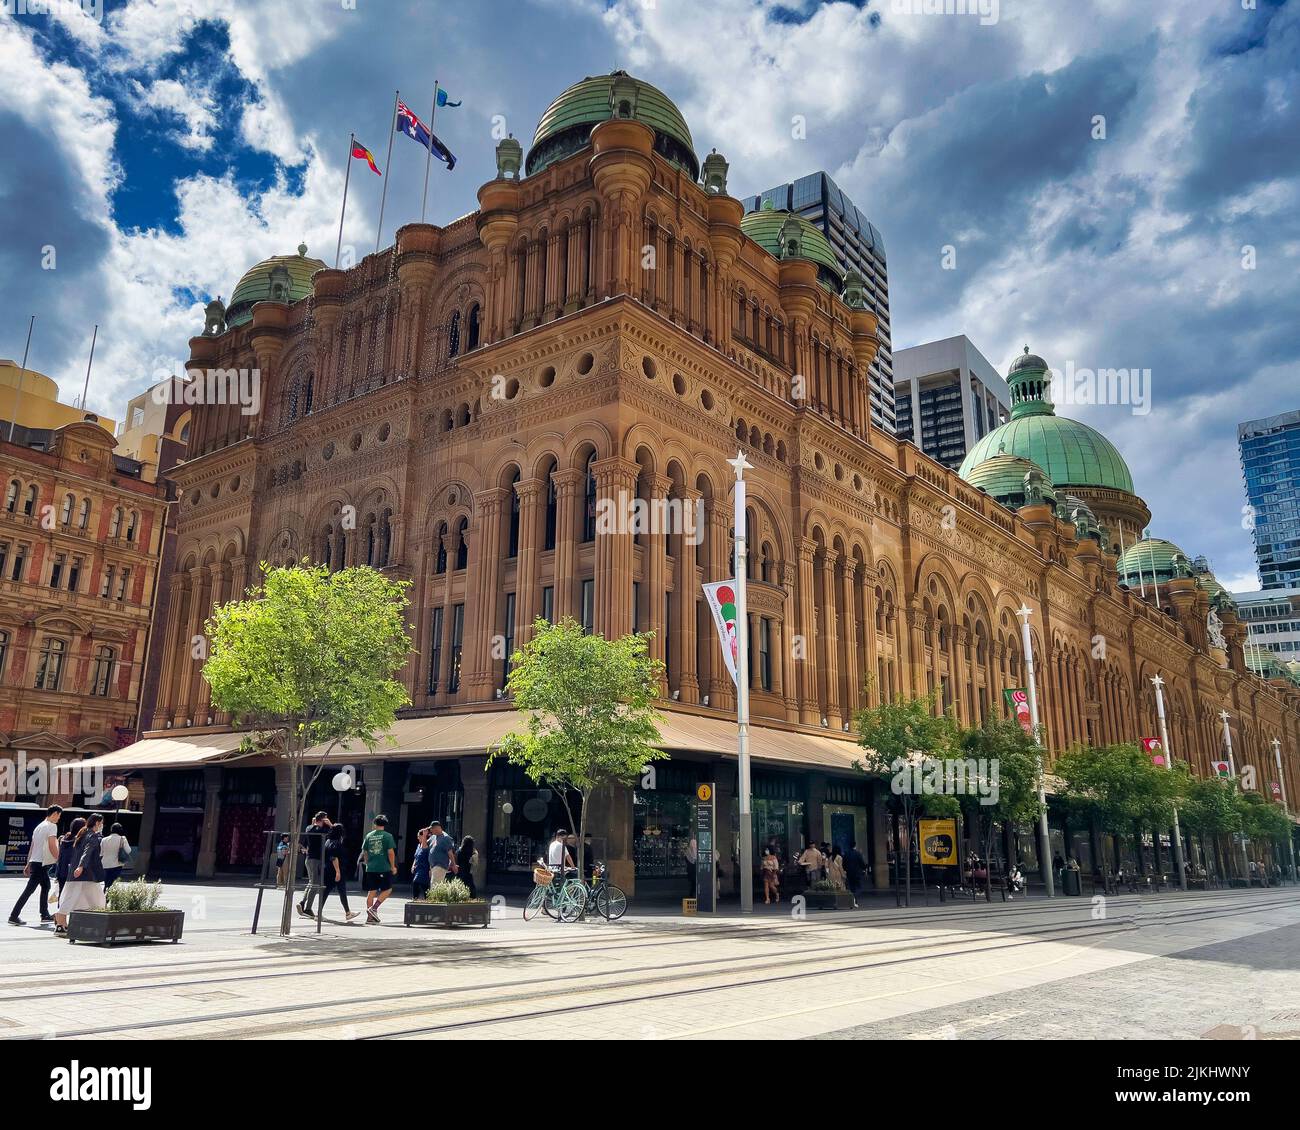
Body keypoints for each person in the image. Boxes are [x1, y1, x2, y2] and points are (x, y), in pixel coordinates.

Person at [8, 804, 61, 926]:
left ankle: (44, 914)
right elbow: (52, 845)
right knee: (29, 890)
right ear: (54, 814)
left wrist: (28, 863)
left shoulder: (38, 827)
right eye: (58, 816)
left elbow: (33, 846)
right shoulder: (52, 826)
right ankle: (14, 915)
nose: (58, 819)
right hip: (42, 863)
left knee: (46, 886)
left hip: (36, 862)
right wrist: (59, 859)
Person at [60, 814, 107, 920]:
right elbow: (88, 851)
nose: (102, 825)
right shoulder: (92, 836)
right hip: (87, 874)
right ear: (97, 823)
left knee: (77, 899)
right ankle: (60, 919)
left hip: (77, 874)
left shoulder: (82, 834)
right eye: (102, 823)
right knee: (98, 901)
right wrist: (81, 866)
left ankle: (62, 922)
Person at [51, 818, 87, 937]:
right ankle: (62, 922)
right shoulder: (78, 841)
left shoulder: (64, 839)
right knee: (71, 897)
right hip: (71, 874)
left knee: (64, 896)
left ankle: (61, 920)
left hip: (62, 872)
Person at [360, 814, 397, 923]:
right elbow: (390, 852)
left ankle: (370, 918)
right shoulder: (388, 836)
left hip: (371, 868)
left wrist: (367, 862)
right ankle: (374, 908)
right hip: (384, 867)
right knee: (388, 889)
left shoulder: (368, 835)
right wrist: (392, 866)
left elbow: (365, 851)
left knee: (371, 892)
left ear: (374, 823)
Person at [318, 824, 359, 922]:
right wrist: (338, 872)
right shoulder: (336, 843)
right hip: (335, 870)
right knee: (341, 891)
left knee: (326, 892)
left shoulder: (327, 841)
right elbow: (334, 858)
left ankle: (319, 913)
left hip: (327, 869)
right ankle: (348, 913)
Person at [297, 812, 332, 919]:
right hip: (316, 859)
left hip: (309, 858)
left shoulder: (308, 828)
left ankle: (303, 903)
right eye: (325, 820)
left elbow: (312, 827)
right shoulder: (322, 830)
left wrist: (316, 822)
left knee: (311, 882)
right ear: (322, 820)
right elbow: (334, 832)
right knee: (315, 884)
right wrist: (330, 824)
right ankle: (307, 908)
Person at [101, 823, 131, 888]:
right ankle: (107, 896)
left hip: (105, 864)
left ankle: (105, 895)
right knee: (111, 883)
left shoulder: (104, 839)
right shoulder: (122, 839)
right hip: (117, 864)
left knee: (106, 882)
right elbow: (128, 850)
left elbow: (101, 853)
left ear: (111, 830)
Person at [427, 820, 456, 885]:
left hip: (440, 865)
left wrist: (453, 864)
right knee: (435, 885)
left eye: (432, 829)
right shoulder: (433, 837)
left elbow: (450, 852)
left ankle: (434, 895)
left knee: (434, 885)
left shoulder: (445, 838)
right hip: (433, 866)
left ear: (437, 828)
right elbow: (425, 847)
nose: (431, 830)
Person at [410, 826, 432, 901]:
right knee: (424, 886)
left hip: (424, 868)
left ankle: (415, 898)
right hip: (417, 868)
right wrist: (413, 865)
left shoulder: (426, 845)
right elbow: (416, 856)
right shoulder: (418, 846)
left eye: (419, 836)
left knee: (416, 882)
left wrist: (425, 834)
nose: (418, 838)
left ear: (423, 837)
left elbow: (424, 848)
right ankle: (426, 899)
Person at [844, 841, 867, 907]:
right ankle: (854, 897)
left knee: (852, 887)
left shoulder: (846, 853)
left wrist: (846, 869)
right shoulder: (858, 853)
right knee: (859, 887)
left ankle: (854, 900)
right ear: (855, 846)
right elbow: (862, 863)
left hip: (849, 873)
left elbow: (844, 864)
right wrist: (864, 868)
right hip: (857, 873)